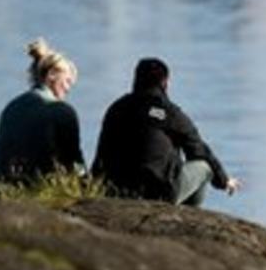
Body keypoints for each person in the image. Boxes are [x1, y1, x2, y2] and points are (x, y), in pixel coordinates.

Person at [92, 57, 239, 206]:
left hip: (116, 191)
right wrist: (224, 181)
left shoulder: (116, 109)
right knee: (204, 167)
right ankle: (188, 218)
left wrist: (92, 187)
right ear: (165, 83)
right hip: (158, 194)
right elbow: (198, 150)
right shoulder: (169, 113)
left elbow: (100, 155)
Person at [0, 38, 84, 183]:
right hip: (35, 186)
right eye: (67, 81)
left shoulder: (12, 106)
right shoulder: (62, 111)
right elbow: (75, 164)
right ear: (52, 74)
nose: (68, 88)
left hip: (0, 182)